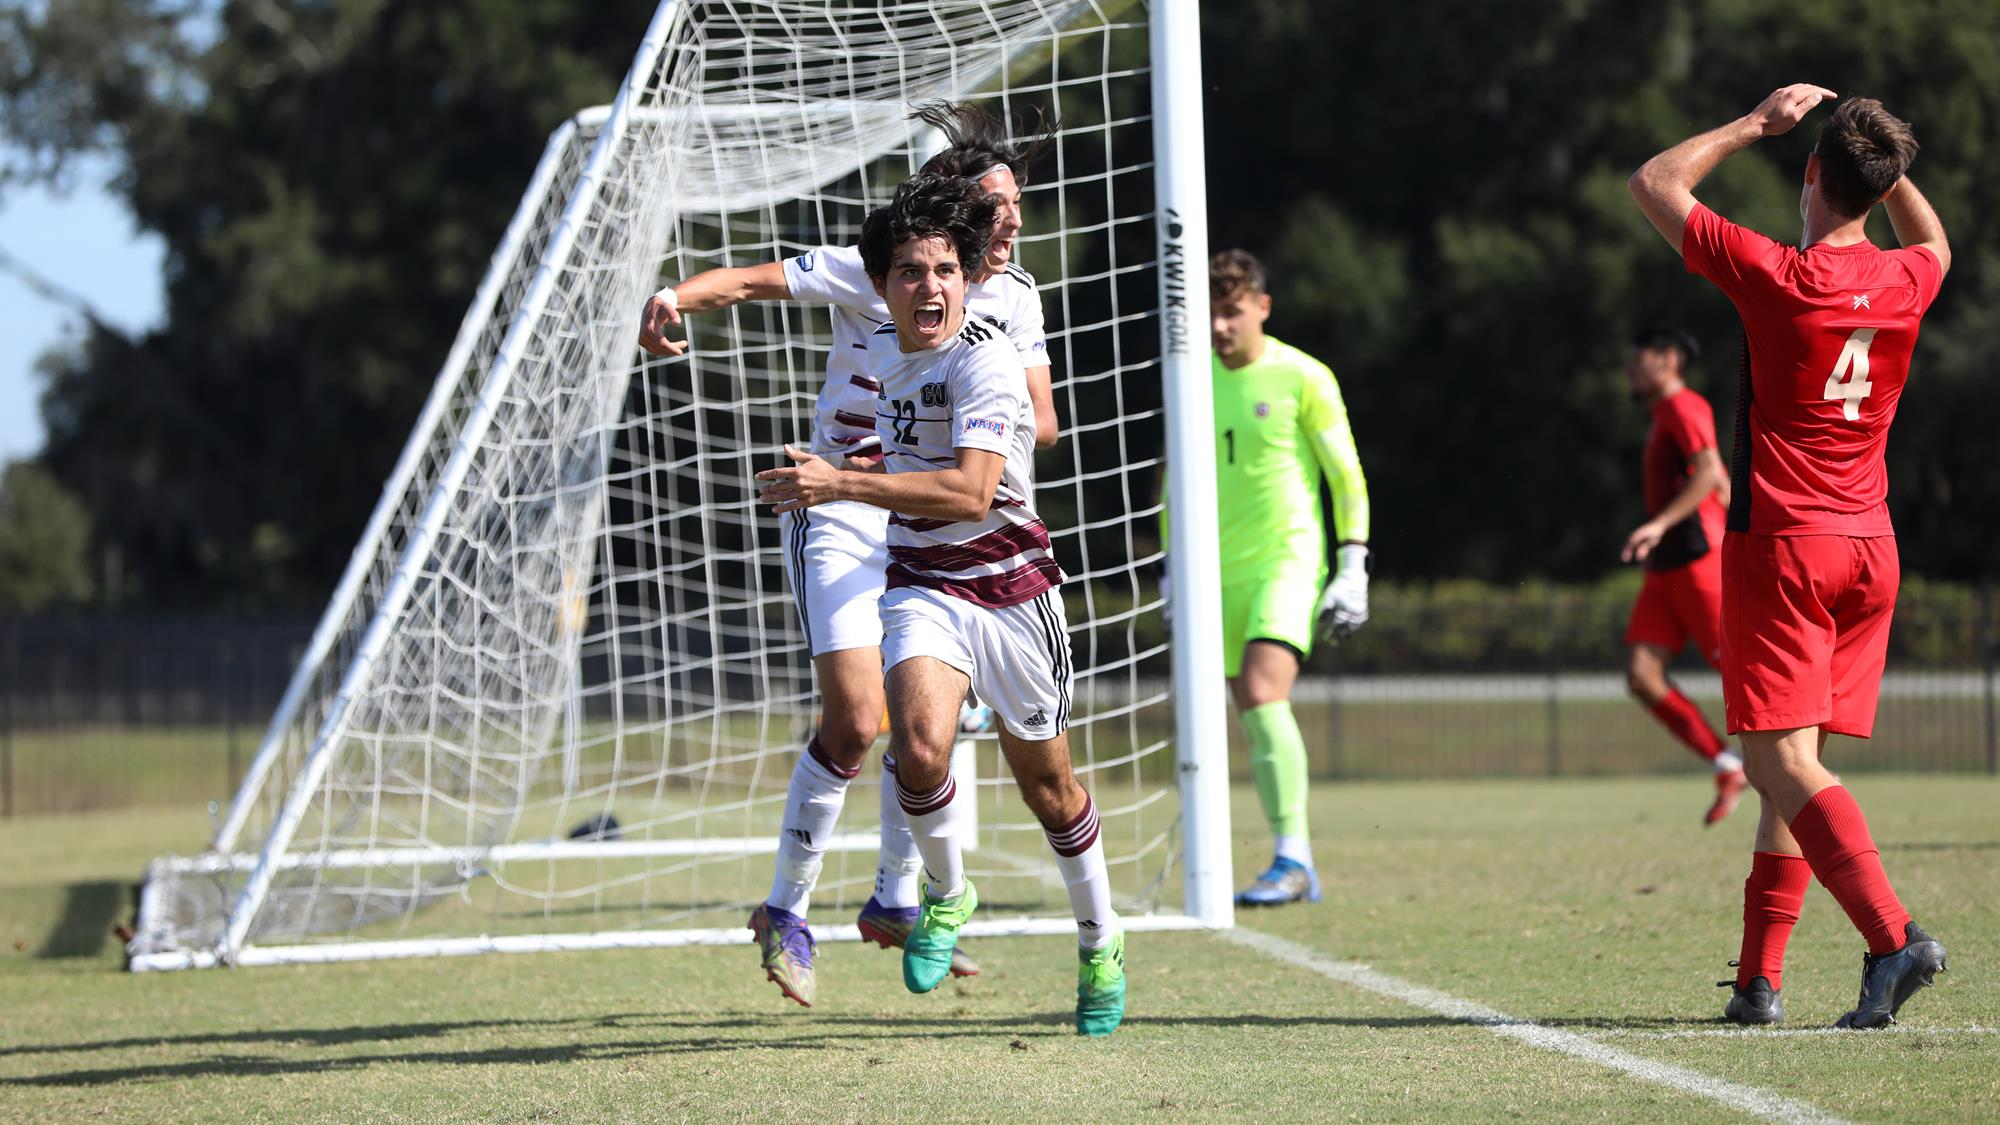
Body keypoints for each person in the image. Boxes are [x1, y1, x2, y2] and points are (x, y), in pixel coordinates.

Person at [635, 102, 1059, 1007]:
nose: (1014, 219)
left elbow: (1044, 423)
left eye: (1018, 204)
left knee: (926, 726)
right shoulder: (887, 268)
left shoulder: (1014, 297)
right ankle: (786, 911)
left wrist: (991, 416)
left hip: (934, 522)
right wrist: (674, 297)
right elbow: (749, 284)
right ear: (953, 210)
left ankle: (896, 899)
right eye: (998, 203)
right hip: (835, 506)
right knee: (857, 720)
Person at [756, 173, 1125, 1036]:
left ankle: (1100, 940)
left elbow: (968, 493)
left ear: (968, 280)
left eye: (945, 271)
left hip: (1012, 591)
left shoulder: (987, 359)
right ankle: (945, 896)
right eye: (912, 271)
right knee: (917, 745)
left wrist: (838, 482)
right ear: (883, 287)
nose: (930, 286)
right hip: (924, 586)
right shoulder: (881, 350)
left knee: (1050, 788)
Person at [1630, 86, 1950, 1029]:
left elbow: (1656, 181)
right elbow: (1936, 245)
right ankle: (1759, 983)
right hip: (1870, 547)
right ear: (1884, 184)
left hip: (1788, 547)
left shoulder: (1778, 274)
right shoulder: (1906, 280)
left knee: (1776, 759)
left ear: (1811, 176)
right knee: (1791, 762)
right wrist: (1889, 169)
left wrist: (1754, 127)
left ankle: (1895, 940)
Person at [1200, 249, 1371, 907]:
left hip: (1288, 557)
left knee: (1267, 690)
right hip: (1217, 570)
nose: (1220, 326)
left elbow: (1345, 475)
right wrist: (1169, 570)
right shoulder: (1195, 378)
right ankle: (1288, 857)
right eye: (1212, 312)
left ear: (1262, 307)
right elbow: (1171, 480)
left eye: (1232, 311)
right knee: (1251, 706)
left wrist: (1353, 561)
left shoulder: (1305, 375)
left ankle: (1293, 858)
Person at [1617, 326, 1748, 825]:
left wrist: (1658, 523)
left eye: (1638, 358)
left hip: (1697, 560)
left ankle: (1803, 776)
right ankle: (1725, 764)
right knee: (1642, 676)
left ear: (1669, 359)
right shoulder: (1662, 415)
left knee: (1741, 682)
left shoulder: (1684, 405)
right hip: (1666, 567)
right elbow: (1717, 481)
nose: (1630, 368)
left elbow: (1705, 471)